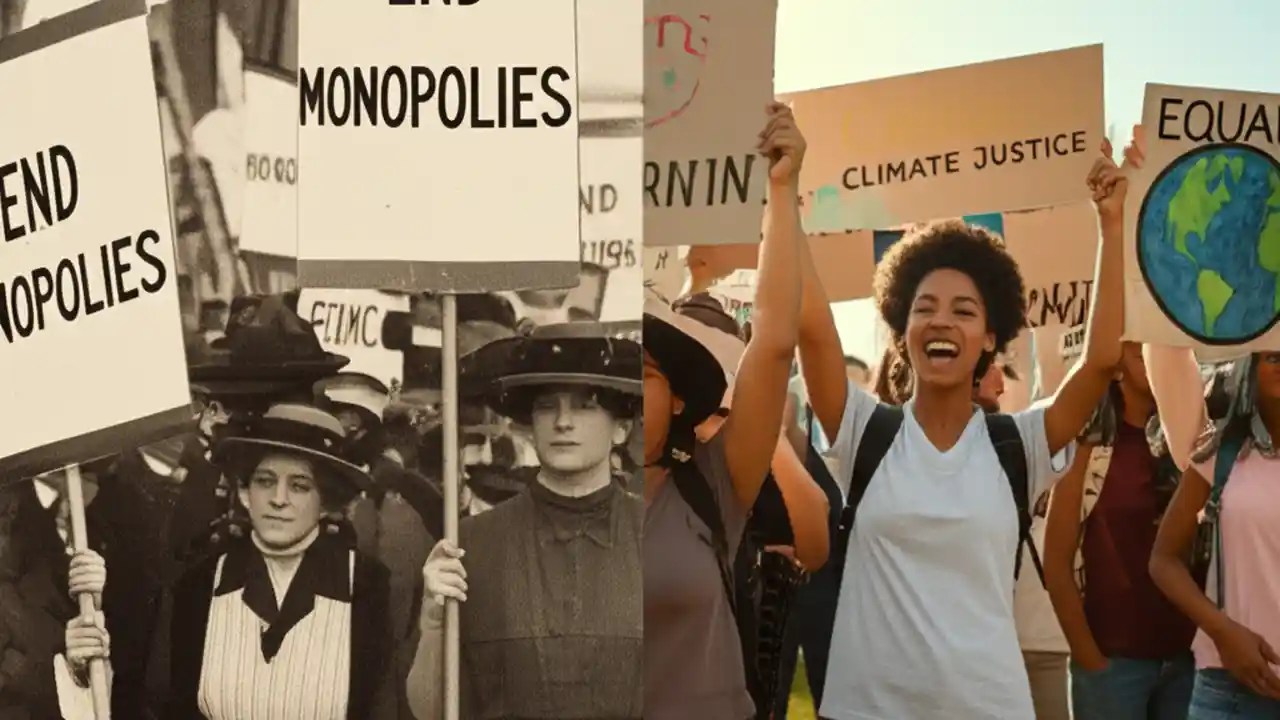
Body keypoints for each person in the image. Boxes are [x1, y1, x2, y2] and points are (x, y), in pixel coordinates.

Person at [794, 126, 1128, 718]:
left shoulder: (1018, 445)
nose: (941, 321)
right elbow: (813, 328)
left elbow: (1101, 360)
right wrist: (783, 194)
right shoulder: (865, 431)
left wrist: (1110, 223)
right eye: (924, 308)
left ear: (989, 338)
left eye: (963, 311)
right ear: (903, 332)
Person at [63, 402, 396, 719]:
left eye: (299, 486)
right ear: (243, 493)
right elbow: (159, 706)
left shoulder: (366, 587)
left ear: (326, 502)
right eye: (265, 482)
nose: (278, 499)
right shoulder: (200, 584)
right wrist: (87, 670)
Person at [643, 102, 806, 720]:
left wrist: (782, 191)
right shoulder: (552, 503)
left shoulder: (714, 481)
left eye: (646, 375)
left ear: (680, 397)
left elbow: (773, 344)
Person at [407, 322, 644, 719]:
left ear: (621, 427)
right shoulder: (471, 547)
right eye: (547, 405)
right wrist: (433, 624)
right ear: (530, 424)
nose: (563, 422)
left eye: (585, 405)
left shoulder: (658, 539)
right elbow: (431, 711)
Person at [1043, 341, 1196, 719]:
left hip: (1187, 662)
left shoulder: (1193, 438)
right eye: (1137, 350)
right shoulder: (1089, 443)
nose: (1152, 355)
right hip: (1113, 665)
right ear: (1115, 365)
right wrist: (1089, 657)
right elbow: (1056, 561)